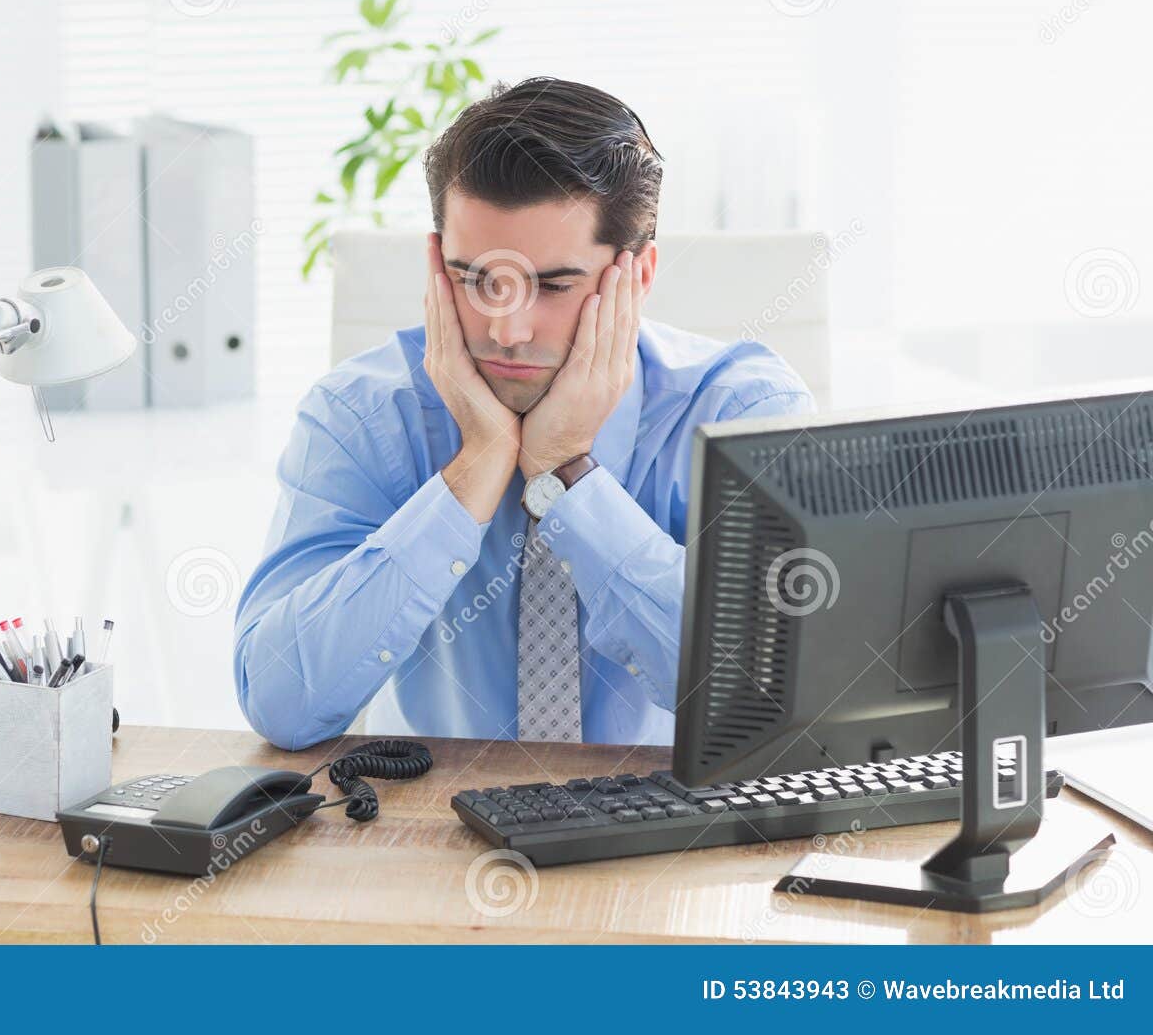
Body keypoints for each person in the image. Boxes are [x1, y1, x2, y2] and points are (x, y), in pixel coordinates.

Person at [234, 77, 814, 750]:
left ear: (641, 274)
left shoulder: (742, 408)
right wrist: (471, 471)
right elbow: (280, 703)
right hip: (431, 836)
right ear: (435, 266)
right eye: (478, 279)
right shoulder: (362, 414)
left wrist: (569, 476)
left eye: (553, 284)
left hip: (673, 840)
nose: (506, 330)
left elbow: (763, 699)